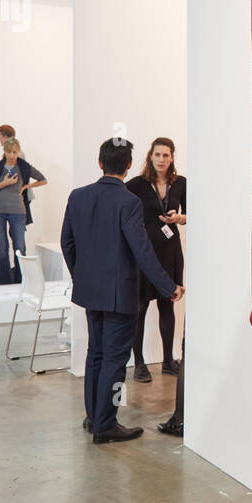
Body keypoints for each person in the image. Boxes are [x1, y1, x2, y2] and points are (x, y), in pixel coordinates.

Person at [62, 138, 183, 444]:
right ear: (129, 165)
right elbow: (142, 251)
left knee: (95, 356)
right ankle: (106, 424)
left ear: (99, 162)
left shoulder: (78, 196)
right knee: (114, 362)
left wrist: (83, 276)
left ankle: (94, 417)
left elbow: (68, 243)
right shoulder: (129, 202)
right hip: (119, 295)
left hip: (91, 292)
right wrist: (168, 287)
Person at [124, 137, 186, 382]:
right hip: (144, 254)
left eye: (166, 155)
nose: (161, 159)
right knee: (140, 307)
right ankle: (139, 362)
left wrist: (179, 219)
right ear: (150, 156)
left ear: (172, 158)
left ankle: (169, 361)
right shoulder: (137, 185)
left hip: (171, 252)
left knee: (167, 304)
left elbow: (193, 213)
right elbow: (122, 211)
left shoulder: (180, 183)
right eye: (158, 155)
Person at [0, 138, 47, 284]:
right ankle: (4, 282)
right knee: (2, 248)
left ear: (18, 151)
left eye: (14, 152)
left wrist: (25, 188)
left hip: (18, 211)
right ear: (4, 152)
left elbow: (43, 179)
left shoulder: (23, 167)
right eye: (9, 152)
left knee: (20, 247)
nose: (12, 155)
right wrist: (3, 183)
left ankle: (20, 280)